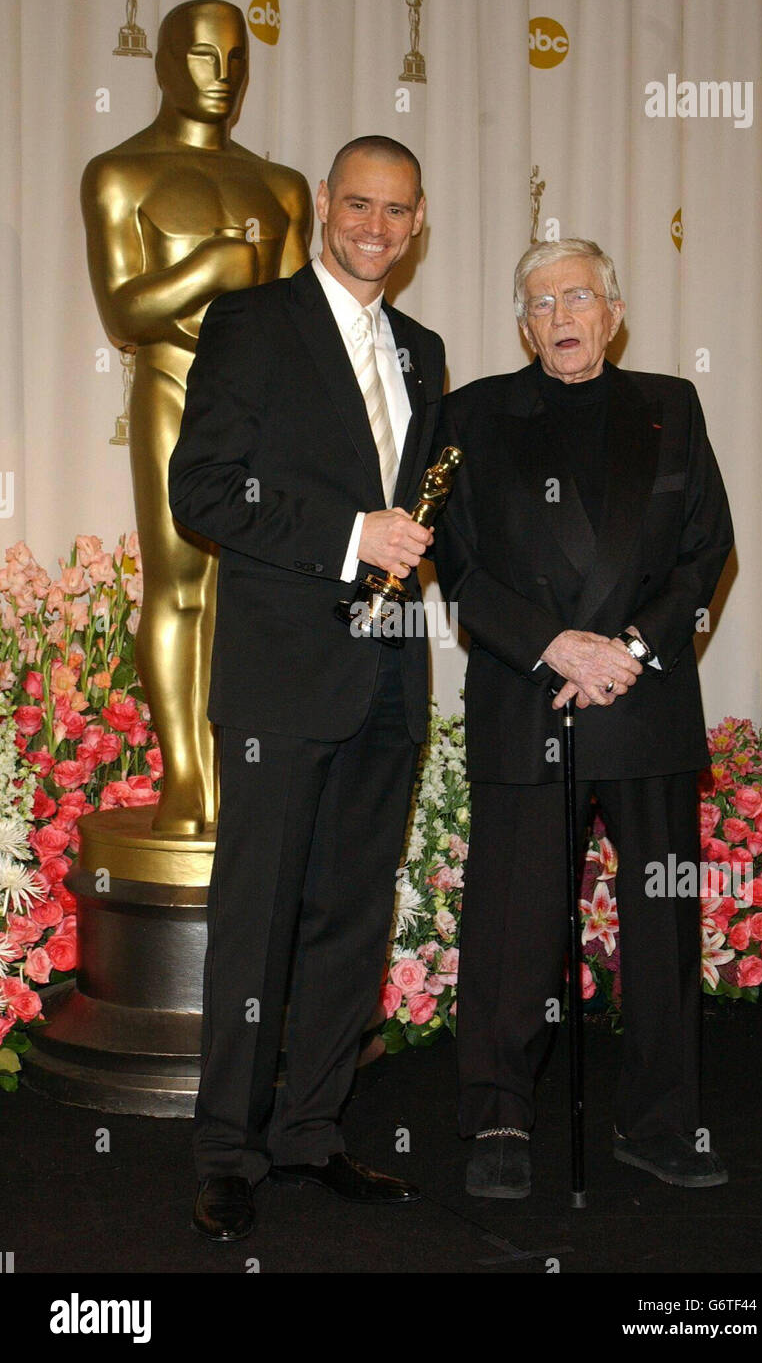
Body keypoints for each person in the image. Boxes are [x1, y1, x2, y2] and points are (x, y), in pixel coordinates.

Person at [168, 136, 445, 1239]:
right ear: (325, 205)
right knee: (257, 919)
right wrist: (348, 535)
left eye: (397, 209)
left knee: (352, 913)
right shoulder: (251, 320)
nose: (375, 226)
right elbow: (204, 491)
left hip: (389, 673)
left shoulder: (423, 348)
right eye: (358, 204)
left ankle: (313, 1132)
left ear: (419, 221)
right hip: (282, 675)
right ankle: (226, 1151)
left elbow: (425, 516)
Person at [433, 238, 734, 1199]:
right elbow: (461, 565)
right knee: (512, 927)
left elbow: (703, 550)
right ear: (522, 325)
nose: (560, 315)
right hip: (530, 697)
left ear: (612, 310)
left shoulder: (670, 406)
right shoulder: (472, 413)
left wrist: (630, 651)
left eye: (577, 296)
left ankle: (659, 1121)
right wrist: (555, 647)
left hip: (644, 703)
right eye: (540, 302)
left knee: (660, 923)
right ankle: (499, 1119)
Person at [82, 0, 312, 836]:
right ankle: (187, 778)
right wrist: (214, 267)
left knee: (254, 593)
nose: (224, 77)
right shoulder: (121, 173)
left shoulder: (281, 186)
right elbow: (124, 309)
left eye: (237, 59)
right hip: (174, 387)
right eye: (204, 58)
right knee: (178, 586)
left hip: (263, 412)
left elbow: (298, 322)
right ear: (166, 62)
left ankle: (244, 770)